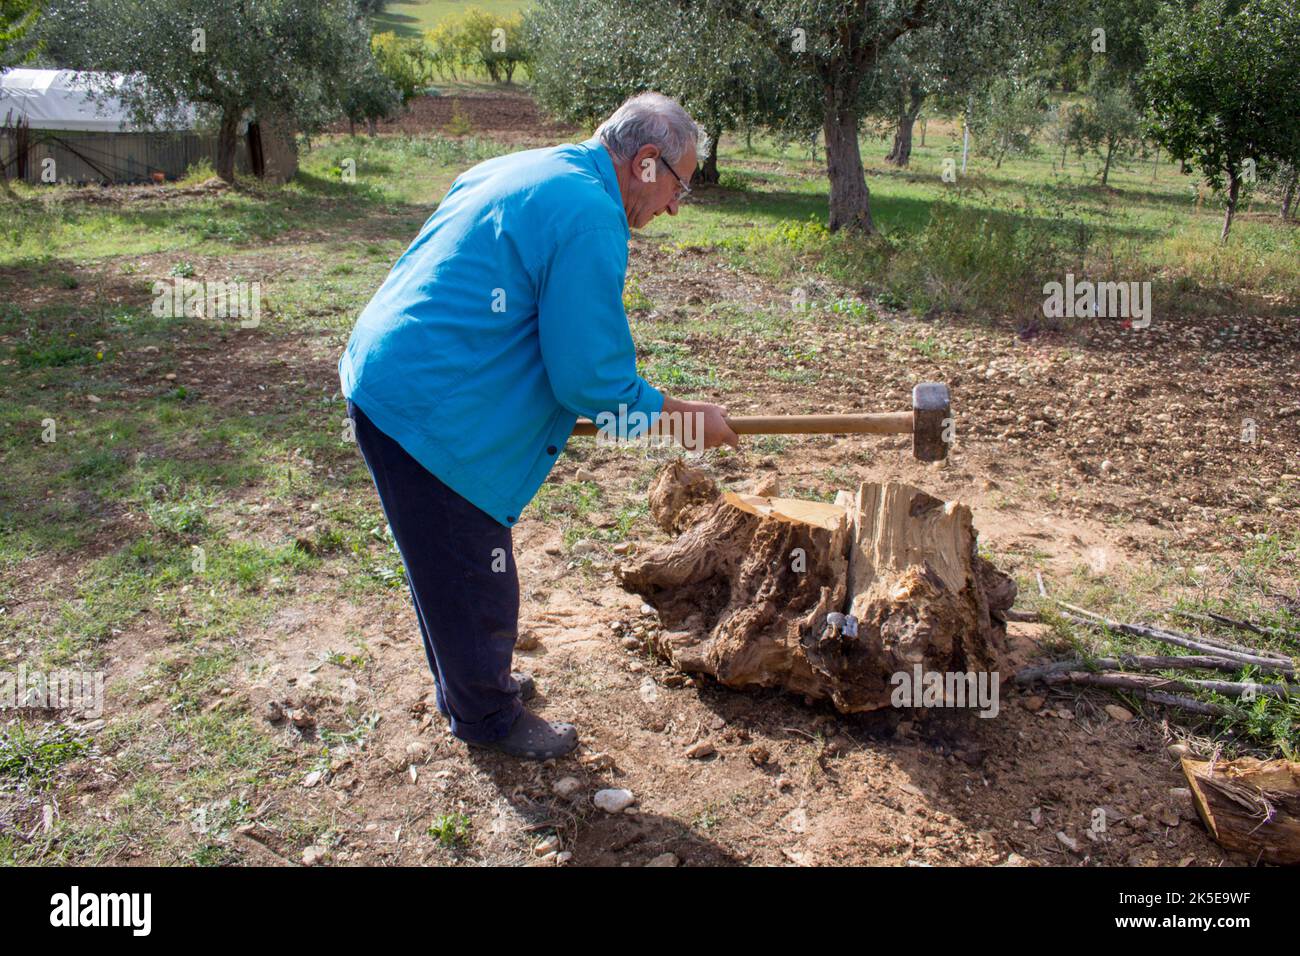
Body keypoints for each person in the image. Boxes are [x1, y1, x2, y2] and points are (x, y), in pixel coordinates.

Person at [338, 92, 738, 760]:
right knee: (474, 576)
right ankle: (487, 718)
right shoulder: (588, 216)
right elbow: (591, 383)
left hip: (392, 377)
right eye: (679, 184)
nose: (673, 205)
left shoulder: (529, 167)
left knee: (446, 569)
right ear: (646, 162)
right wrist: (691, 421)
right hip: (427, 408)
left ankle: (469, 683)